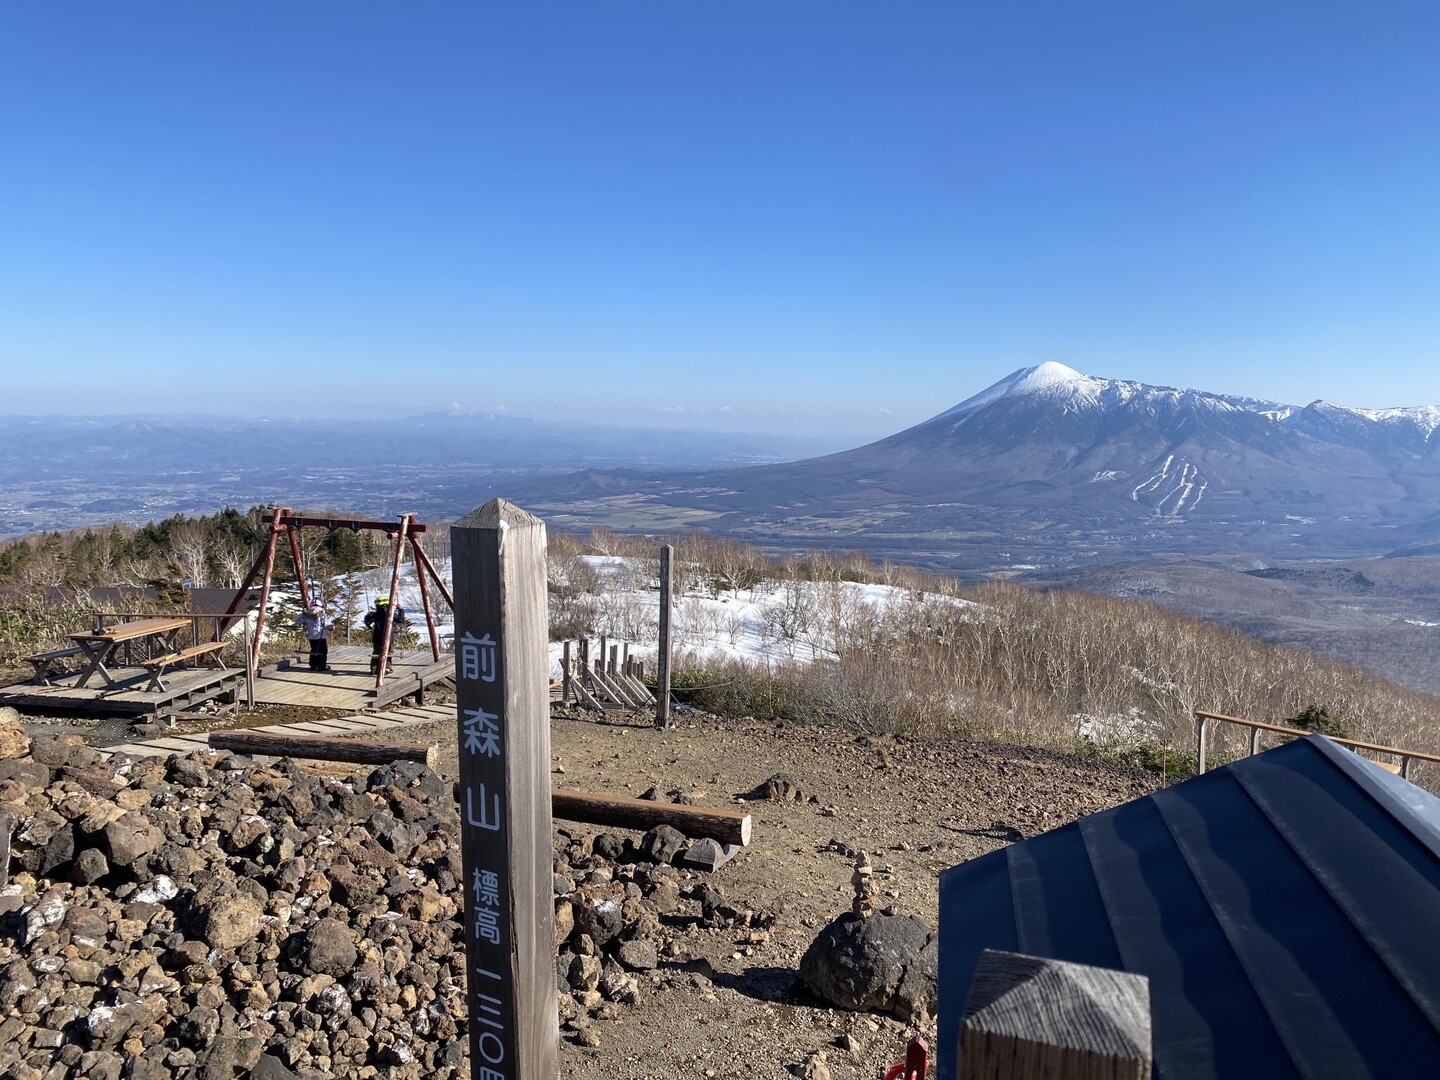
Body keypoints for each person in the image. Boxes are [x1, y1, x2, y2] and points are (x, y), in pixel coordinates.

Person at [363, 595, 408, 674]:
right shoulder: (390, 614)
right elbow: (400, 620)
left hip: (377, 638)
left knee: (376, 653)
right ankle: (386, 668)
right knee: (388, 653)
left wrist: (367, 617)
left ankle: (374, 669)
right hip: (388, 638)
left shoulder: (375, 614)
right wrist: (401, 610)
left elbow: (368, 623)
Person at [300, 601, 329, 672]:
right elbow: (326, 624)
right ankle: (321, 666)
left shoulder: (306, 615)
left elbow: (298, 621)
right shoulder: (322, 615)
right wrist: (330, 626)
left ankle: (313, 665)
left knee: (313, 650)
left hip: (312, 636)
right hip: (320, 636)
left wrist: (303, 616)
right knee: (322, 651)